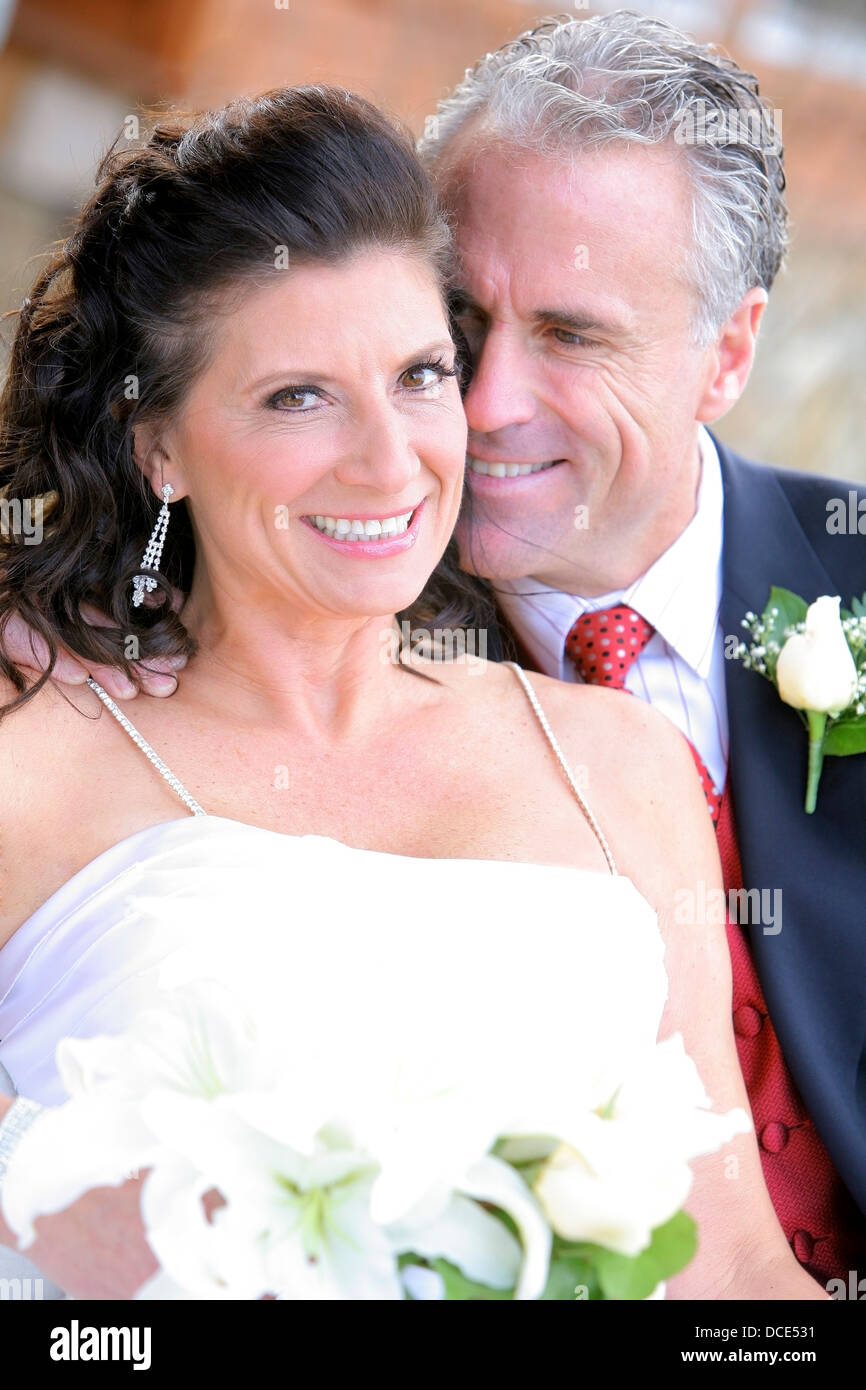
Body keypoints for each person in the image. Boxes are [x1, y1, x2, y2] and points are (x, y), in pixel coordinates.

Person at [0, 85, 821, 1301]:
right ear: (155, 444)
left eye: (419, 375)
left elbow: (735, 1263)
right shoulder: (36, 748)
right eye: (298, 396)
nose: (390, 461)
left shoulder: (618, 761)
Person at [412, 11, 866, 1286]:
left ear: (724, 354)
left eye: (570, 334)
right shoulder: (327, 643)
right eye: (458, 315)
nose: (485, 401)